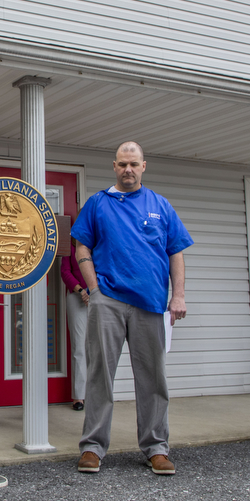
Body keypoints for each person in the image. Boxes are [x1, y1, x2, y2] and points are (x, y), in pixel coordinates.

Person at [72, 142, 192, 476]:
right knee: (100, 375)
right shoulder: (98, 203)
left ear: (143, 166)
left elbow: (176, 252)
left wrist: (177, 296)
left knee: (153, 377)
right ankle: (93, 447)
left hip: (151, 303)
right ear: (114, 166)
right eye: (123, 164)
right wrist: (94, 289)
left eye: (134, 164)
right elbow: (82, 246)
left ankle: (156, 447)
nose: (128, 169)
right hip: (108, 300)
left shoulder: (160, 205)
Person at [60, 235, 89, 411]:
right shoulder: (69, 248)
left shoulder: (98, 244)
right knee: (79, 348)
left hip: (98, 296)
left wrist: (92, 291)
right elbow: (65, 272)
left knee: (98, 349)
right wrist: (80, 290)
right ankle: (79, 397)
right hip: (76, 297)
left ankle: (96, 395)